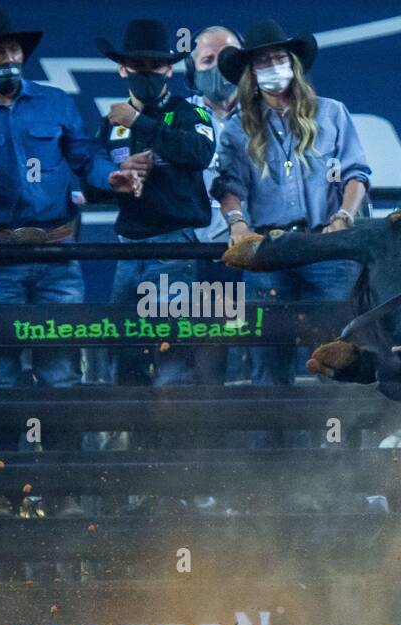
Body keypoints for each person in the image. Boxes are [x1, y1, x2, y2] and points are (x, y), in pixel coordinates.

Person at [0, 6, 138, 512]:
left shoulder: (55, 102)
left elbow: (86, 158)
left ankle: (65, 493)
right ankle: (2, 496)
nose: (8, 59)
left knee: (60, 374)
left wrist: (109, 177)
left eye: (13, 51)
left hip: (56, 254)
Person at [212, 19, 370, 391]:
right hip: (269, 249)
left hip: (327, 247)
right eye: (262, 61)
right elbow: (227, 185)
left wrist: (344, 216)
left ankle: (336, 444)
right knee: (268, 353)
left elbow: (356, 174)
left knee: (334, 352)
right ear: (251, 73)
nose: (272, 67)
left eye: (278, 58)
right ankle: (269, 445)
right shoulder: (237, 128)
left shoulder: (331, 113)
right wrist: (236, 223)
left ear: (293, 64)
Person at [87, 18, 216, 391]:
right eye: (138, 66)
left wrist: (140, 122)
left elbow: (200, 153)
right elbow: (90, 188)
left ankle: (173, 444)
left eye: (155, 65)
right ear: (122, 68)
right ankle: (132, 443)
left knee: (171, 352)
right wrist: (119, 174)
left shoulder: (190, 112)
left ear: (169, 69)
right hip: (128, 249)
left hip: (174, 248)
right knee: (124, 349)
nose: (147, 73)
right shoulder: (109, 123)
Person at [186, 24, 243, 387]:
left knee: (267, 357)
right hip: (197, 255)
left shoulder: (268, 116)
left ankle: (272, 445)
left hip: (256, 255)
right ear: (192, 69)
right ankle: (208, 441)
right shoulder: (177, 118)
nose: (218, 67)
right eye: (208, 60)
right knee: (207, 363)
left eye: (227, 58)